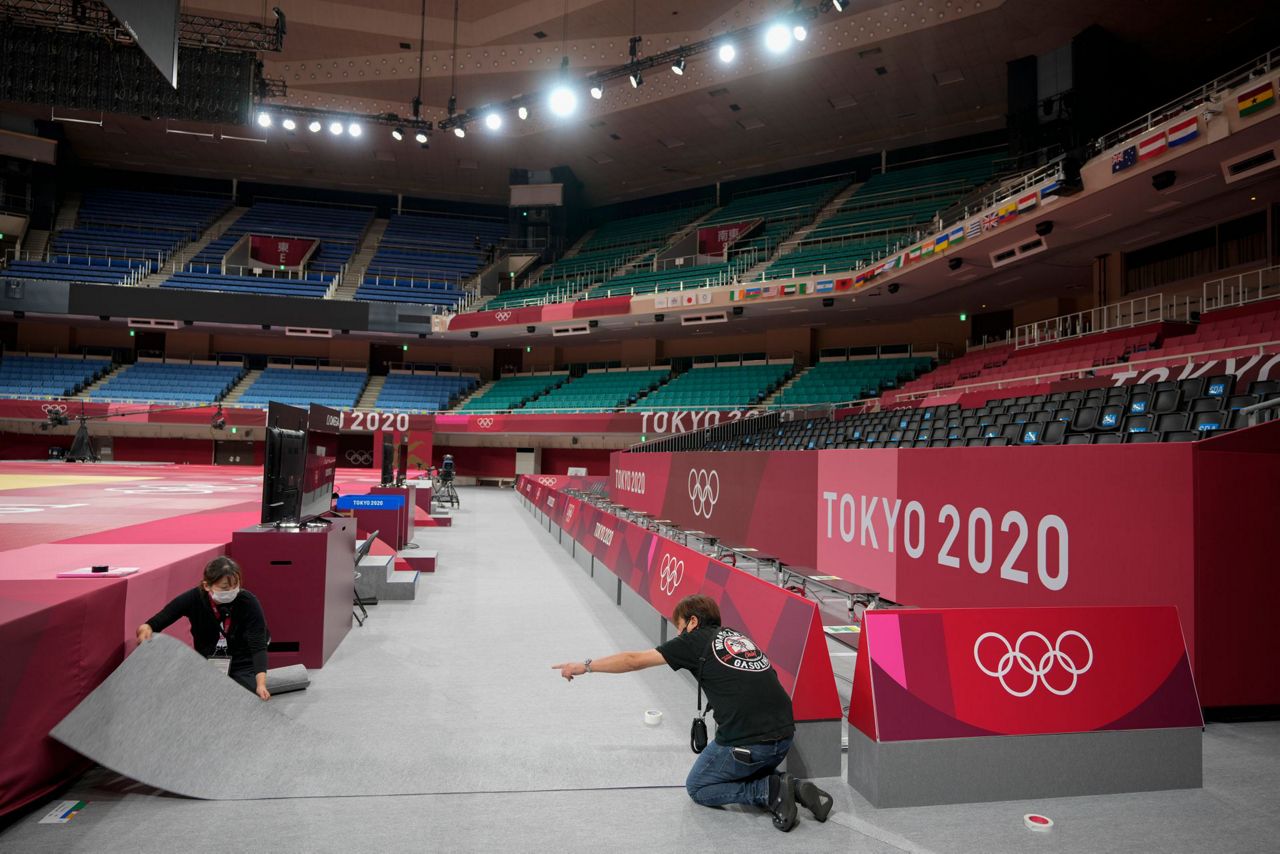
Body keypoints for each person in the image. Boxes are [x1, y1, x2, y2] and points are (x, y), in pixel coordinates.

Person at [552, 594, 833, 832]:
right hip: (784, 739)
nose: (678, 634)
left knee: (699, 787)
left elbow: (632, 660)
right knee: (735, 763)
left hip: (750, 745)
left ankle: (769, 791)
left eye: (680, 627)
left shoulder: (693, 641)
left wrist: (586, 666)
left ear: (693, 622)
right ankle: (794, 788)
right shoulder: (738, 637)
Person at [136, 556, 272, 701]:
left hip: (243, 663)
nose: (231, 591)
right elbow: (157, 621)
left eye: (235, 586)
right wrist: (145, 629)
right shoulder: (193, 598)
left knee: (248, 698)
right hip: (208, 663)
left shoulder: (249, 602)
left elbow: (258, 646)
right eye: (224, 588)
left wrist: (261, 685)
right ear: (207, 586)